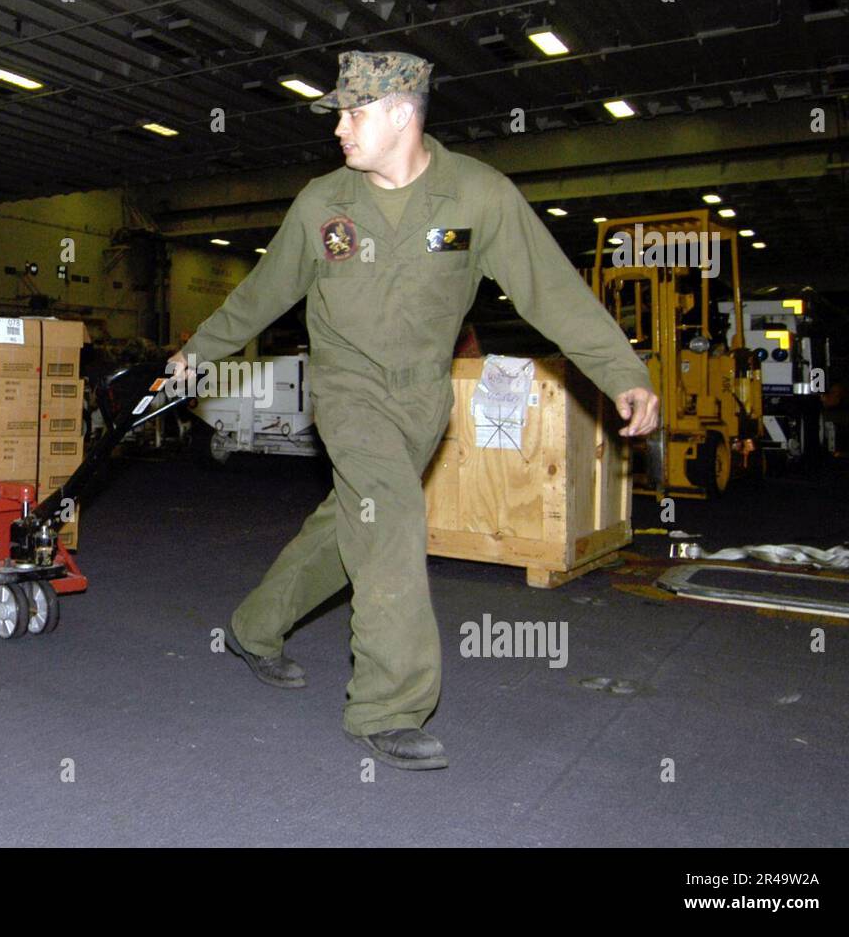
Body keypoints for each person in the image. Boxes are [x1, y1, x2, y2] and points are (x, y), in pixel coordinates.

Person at [169, 50, 660, 771]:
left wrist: (622, 372)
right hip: (346, 390)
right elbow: (265, 291)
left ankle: (254, 626)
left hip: (424, 398)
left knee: (352, 523)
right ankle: (387, 706)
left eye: (354, 112)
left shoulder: (478, 196)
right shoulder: (322, 202)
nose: (340, 127)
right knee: (393, 516)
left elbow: (550, 289)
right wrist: (199, 351)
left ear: (402, 114)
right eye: (339, 114)